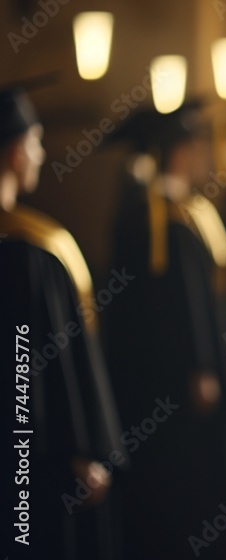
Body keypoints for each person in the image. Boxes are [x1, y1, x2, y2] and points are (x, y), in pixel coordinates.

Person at [103, 104, 226, 559]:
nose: (204, 154)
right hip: (171, 378)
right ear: (179, 153)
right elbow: (179, 307)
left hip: (152, 372)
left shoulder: (166, 213)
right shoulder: (161, 222)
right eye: (195, 146)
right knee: (178, 470)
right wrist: (201, 365)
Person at [0, 85, 125, 559]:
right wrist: (82, 448)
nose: (40, 154)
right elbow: (34, 369)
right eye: (34, 142)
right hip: (33, 460)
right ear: (14, 153)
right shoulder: (29, 254)